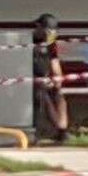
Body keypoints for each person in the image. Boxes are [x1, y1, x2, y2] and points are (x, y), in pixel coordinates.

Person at [32, 12, 69, 144]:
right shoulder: (29, 42)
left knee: (60, 96)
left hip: (47, 77)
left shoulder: (52, 44)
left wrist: (58, 80)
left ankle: (62, 131)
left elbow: (55, 63)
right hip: (34, 79)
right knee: (44, 96)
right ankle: (53, 128)